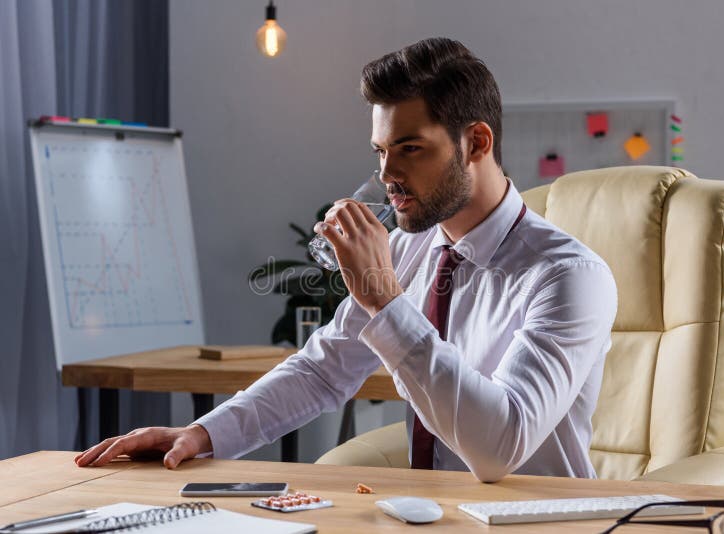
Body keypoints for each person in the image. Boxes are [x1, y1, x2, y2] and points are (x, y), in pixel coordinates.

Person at [75, 37, 617, 483]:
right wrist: (202, 434)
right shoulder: (411, 247)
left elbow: (500, 449)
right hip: (432, 517)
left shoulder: (568, 277)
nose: (386, 176)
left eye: (409, 149)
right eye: (380, 152)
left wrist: (384, 297)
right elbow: (324, 368)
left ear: (476, 142)